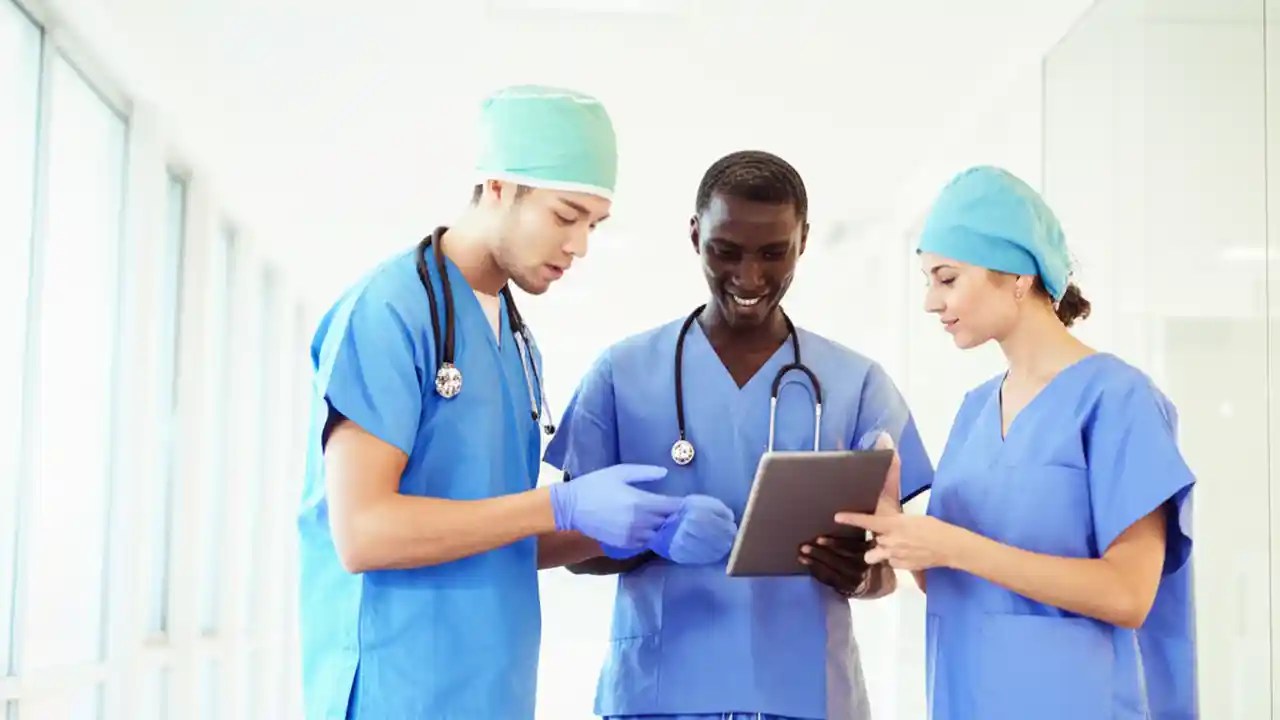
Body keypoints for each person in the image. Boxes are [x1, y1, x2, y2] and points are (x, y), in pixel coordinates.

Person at [297, 85, 687, 720]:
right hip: (400, 691)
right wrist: (559, 503)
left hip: (493, 691)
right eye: (566, 216)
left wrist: (633, 530)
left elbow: (504, 536)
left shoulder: (515, 339)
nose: (580, 245)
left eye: (593, 224)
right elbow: (363, 532)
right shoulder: (391, 311)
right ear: (498, 187)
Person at [543, 149, 935, 720]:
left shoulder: (857, 385)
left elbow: (887, 569)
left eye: (774, 253)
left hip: (807, 697)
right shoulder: (621, 375)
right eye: (725, 251)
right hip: (661, 694)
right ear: (695, 236)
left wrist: (860, 573)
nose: (749, 278)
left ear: (803, 240)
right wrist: (652, 537)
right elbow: (570, 551)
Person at [837, 165, 1197, 719]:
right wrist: (897, 528)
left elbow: (1128, 594)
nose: (931, 301)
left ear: (1019, 275)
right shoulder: (975, 409)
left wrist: (953, 545)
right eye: (928, 281)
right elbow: (959, 583)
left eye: (947, 279)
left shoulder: (1117, 400)